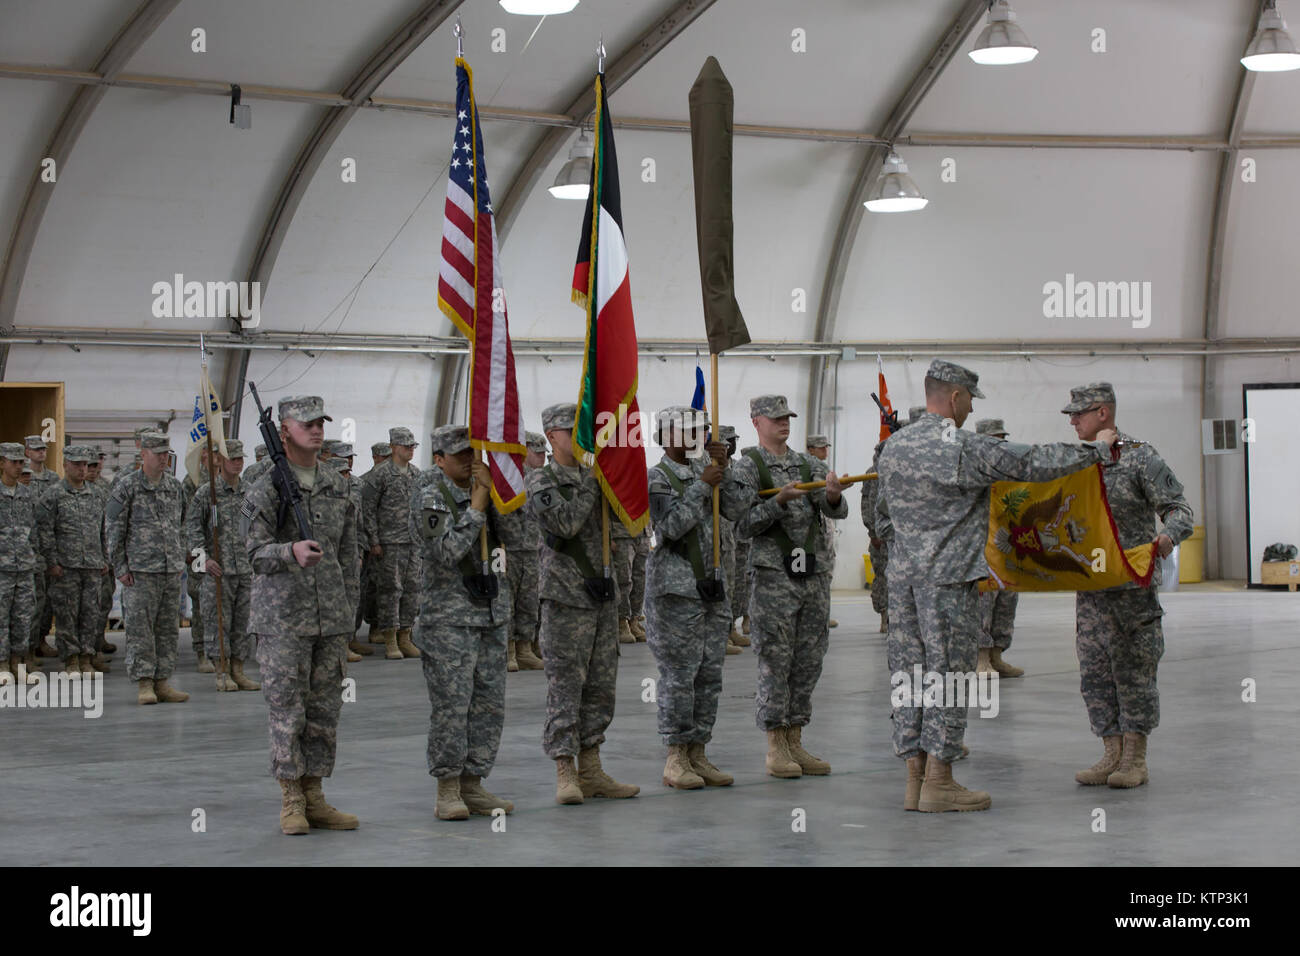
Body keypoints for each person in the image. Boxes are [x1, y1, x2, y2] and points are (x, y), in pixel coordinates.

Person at [876, 360, 1116, 812]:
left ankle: (915, 781)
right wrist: (1098, 450)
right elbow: (1033, 462)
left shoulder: (893, 448)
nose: (969, 410)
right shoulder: (963, 448)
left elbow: (882, 517)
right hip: (947, 585)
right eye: (968, 400)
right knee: (947, 677)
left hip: (903, 585)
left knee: (910, 679)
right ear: (955, 398)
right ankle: (941, 781)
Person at [1062, 382, 1193, 790]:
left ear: (1103, 413)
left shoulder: (1139, 458)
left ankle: (1135, 758)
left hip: (1131, 591)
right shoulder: (1074, 461)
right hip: (1091, 593)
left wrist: (1168, 537)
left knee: (1134, 672)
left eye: (1079, 412)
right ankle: (1111, 753)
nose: (1072, 420)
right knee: (1096, 676)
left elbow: (1179, 509)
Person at [241, 395, 359, 835]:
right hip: (282, 619)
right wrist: (289, 551)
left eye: (320, 422)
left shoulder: (338, 484)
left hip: (330, 617)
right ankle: (291, 798)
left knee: (325, 711)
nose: (316, 429)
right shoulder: (265, 486)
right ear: (284, 430)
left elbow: (350, 555)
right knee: (288, 711)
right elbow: (252, 553)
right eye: (306, 423)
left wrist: (348, 612)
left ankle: (315, 796)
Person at [730, 395, 848, 778]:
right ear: (756, 422)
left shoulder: (807, 462)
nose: (784, 423)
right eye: (776, 418)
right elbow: (743, 525)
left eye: (787, 417)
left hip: (811, 576)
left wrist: (831, 495)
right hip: (773, 578)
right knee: (775, 661)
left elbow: (834, 509)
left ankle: (796, 738)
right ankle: (775, 744)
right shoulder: (747, 468)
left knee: (809, 659)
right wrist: (777, 502)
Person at [528, 402, 639, 805]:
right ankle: (564, 769)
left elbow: (632, 522)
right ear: (551, 436)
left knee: (600, 686)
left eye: (583, 429)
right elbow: (565, 524)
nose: (579, 437)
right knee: (565, 687)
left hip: (603, 594)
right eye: (569, 430)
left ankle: (592, 768)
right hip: (564, 597)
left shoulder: (600, 477)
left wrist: (615, 482)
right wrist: (595, 481)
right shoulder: (541, 481)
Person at [412, 425, 514, 820]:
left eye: (473, 454)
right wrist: (476, 506)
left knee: (489, 705)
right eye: (459, 455)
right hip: (448, 621)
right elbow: (447, 551)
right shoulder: (429, 497)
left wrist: (502, 499)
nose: (469, 461)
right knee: (452, 706)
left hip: (490, 612)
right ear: (438, 459)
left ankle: (474, 783)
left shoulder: (488, 491)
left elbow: (520, 539)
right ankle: (448, 788)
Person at [646, 407, 744, 789]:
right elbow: (669, 527)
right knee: (679, 676)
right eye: (686, 430)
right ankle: (676, 756)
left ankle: (699, 751)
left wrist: (726, 470)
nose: (695, 437)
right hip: (677, 590)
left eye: (699, 430)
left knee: (709, 675)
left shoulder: (710, 467)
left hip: (713, 588)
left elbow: (736, 511)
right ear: (666, 435)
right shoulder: (659, 477)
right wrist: (704, 485)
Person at [107, 433, 189, 704]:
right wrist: (120, 566)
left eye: (167, 453)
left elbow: (183, 525)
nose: (164, 458)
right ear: (144, 454)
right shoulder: (126, 487)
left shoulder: (175, 487)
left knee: (167, 629)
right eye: (158, 454)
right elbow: (114, 528)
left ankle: (163, 681)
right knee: (141, 629)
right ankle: (144, 682)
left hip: (169, 571)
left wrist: (179, 557)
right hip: (140, 572)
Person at [186, 439, 259, 692]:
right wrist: (203, 560)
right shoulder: (208, 493)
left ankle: (238, 669)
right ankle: (221, 671)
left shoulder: (250, 492)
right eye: (233, 458)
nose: (238, 463)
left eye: (240, 458)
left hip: (244, 569)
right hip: (219, 570)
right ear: (220, 460)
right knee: (219, 621)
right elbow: (192, 529)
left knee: (243, 622)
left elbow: (256, 526)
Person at [36, 445, 109, 676]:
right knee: (67, 615)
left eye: (85, 464)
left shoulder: (97, 494)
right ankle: (70, 661)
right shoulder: (53, 495)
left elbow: (103, 529)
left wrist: (105, 558)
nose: (81, 469)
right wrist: (52, 562)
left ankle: (86, 658)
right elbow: (45, 532)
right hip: (65, 567)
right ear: (65, 464)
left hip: (92, 565)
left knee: (90, 614)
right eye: (76, 464)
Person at [362, 427, 422, 660]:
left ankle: (405, 635)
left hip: (412, 542)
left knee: (412, 589)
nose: (410, 450)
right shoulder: (381, 474)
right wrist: (374, 540)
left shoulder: (416, 474)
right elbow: (368, 509)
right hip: (389, 542)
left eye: (412, 446)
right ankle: (389, 637)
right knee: (390, 590)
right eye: (406, 446)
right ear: (393, 447)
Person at [971, 418, 1025, 678]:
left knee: (1007, 601)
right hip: (982, 548)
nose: (1000, 443)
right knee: (983, 602)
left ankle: (997, 655)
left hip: (1008, 548)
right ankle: (980, 658)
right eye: (995, 438)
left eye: (1002, 438)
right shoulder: (973, 470)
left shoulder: (1011, 472)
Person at [498, 431, 546, 672]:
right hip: (510, 549)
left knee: (530, 600)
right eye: (537, 452)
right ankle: (508, 650)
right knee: (507, 601)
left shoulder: (543, 479)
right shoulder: (509, 477)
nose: (542, 457)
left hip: (534, 548)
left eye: (544, 453)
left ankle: (526, 647)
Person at [0, 443, 40, 684]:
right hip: (2, 568)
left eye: (20, 462)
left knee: (24, 617)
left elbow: (33, 531)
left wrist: (35, 559)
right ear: (2, 463)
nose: (18, 467)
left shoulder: (27, 495)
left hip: (24, 567)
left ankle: (18, 662)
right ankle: (2, 664)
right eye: (13, 462)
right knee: (1, 618)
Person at [24, 436, 58, 660]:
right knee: (29, 601)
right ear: (27, 452)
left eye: (43, 449)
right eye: (36, 449)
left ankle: (41, 639)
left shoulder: (53, 478)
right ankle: (26, 646)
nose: (41, 453)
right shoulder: (21, 477)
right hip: (25, 547)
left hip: (46, 544)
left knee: (46, 599)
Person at [181, 448, 214, 674]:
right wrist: (192, 549)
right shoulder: (193, 480)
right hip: (200, 550)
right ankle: (202, 651)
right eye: (212, 452)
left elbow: (245, 518)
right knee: (201, 600)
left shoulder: (234, 483)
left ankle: (224, 652)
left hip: (228, 553)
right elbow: (185, 518)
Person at [86, 453, 118, 666]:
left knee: (104, 601)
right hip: (80, 559)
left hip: (103, 555)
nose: (93, 468)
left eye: (97, 464)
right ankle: (83, 653)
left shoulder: (105, 487)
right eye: (89, 464)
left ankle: (96, 643)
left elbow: (112, 520)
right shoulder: (62, 492)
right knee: (84, 608)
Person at [805, 434, 839, 628]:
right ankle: (817, 614)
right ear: (810, 449)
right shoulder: (807, 469)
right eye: (820, 447)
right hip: (814, 532)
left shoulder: (823, 469)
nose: (824, 450)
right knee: (818, 574)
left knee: (826, 572)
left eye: (826, 447)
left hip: (825, 527)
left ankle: (823, 613)